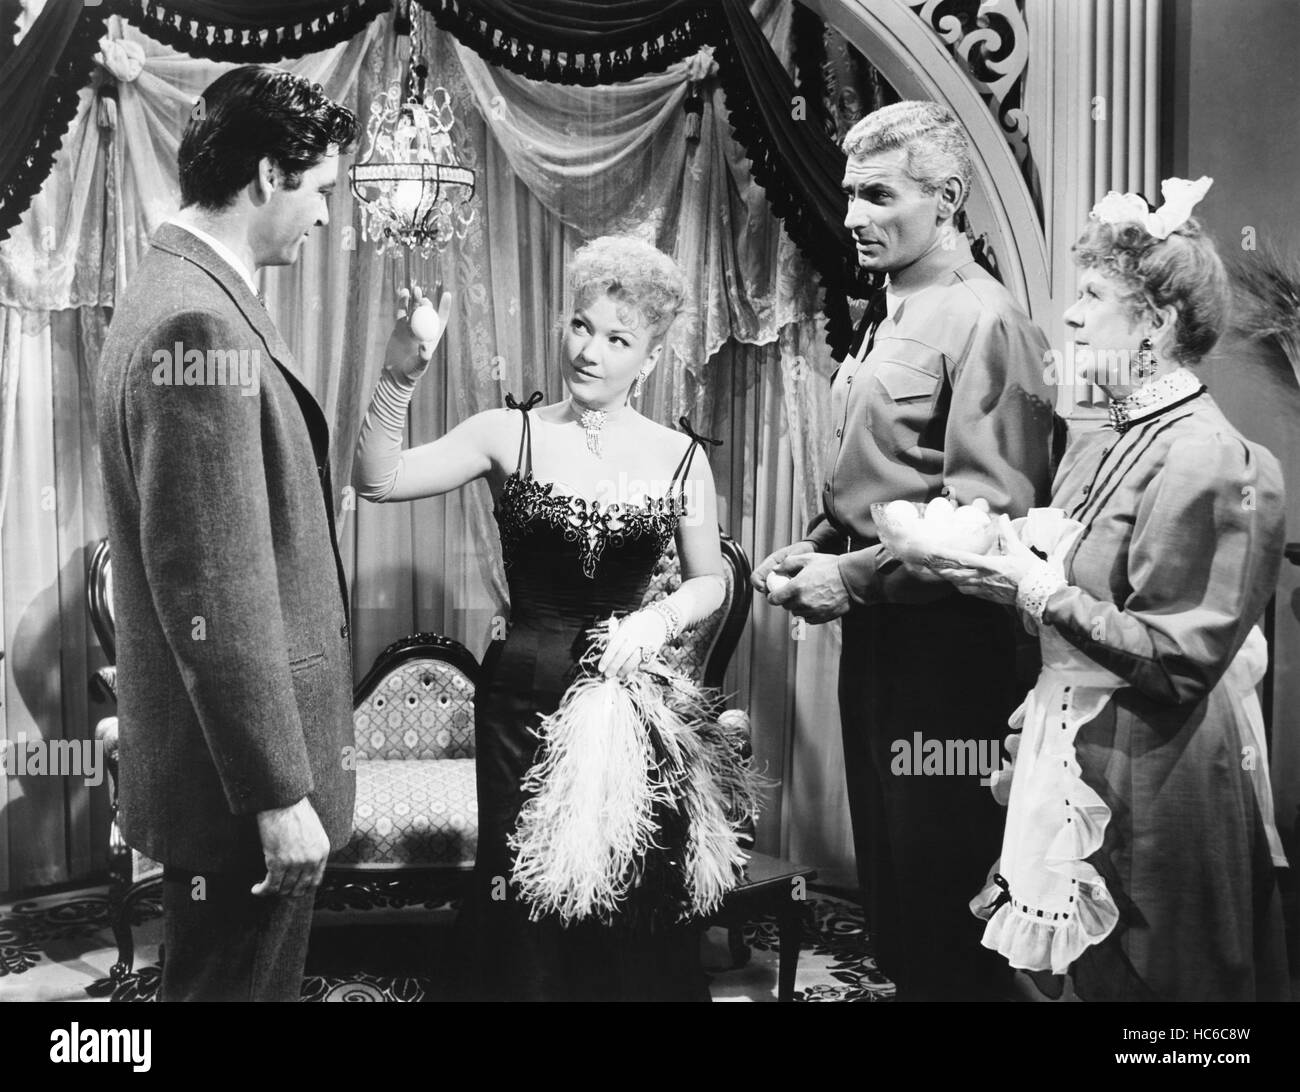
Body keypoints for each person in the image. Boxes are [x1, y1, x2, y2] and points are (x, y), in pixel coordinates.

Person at [933, 177, 1291, 1001]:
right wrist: (999, 563)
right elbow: (1077, 593)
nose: (1070, 314)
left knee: (1157, 990)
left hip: (1154, 764)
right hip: (1074, 744)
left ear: (1158, 325)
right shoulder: (1101, 442)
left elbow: (1176, 661)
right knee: (1069, 978)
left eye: (1094, 295)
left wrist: (1033, 587)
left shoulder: (1214, 459)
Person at [353, 235, 729, 1001]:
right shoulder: (508, 432)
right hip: (522, 700)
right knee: (522, 890)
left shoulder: (680, 456)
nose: (591, 351)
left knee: (624, 889)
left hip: (630, 702)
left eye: (618, 339)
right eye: (581, 326)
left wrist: (659, 620)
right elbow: (378, 480)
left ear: (649, 359)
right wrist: (402, 372)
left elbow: (712, 580)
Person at [753, 101, 1057, 1000]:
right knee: (890, 878)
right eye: (849, 195)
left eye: (878, 195)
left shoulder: (985, 320)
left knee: (942, 885)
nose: (852, 216)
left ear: (948, 198)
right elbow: (891, 480)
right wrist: (816, 543)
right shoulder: (894, 310)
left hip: (950, 657)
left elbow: (990, 516)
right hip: (885, 639)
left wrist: (848, 577)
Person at [96, 66, 360, 1001]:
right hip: (239, 795)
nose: (326, 217)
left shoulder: (173, 289)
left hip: (223, 783)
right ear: (263, 178)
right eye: (320, 189)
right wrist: (278, 796)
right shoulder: (196, 319)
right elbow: (214, 588)